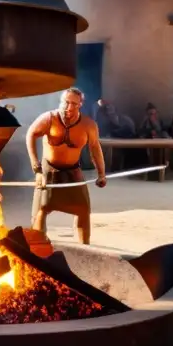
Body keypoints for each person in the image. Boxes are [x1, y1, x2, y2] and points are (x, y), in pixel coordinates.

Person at [26, 88, 107, 244]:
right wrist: (37, 170)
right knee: (41, 209)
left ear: (80, 105)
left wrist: (101, 174)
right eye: (66, 102)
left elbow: (95, 149)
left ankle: (85, 248)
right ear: (61, 102)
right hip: (48, 169)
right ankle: (38, 247)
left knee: (83, 209)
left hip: (72, 170)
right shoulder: (48, 119)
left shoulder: (88, 125)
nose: (69, 107)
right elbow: (31, 134)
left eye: (74, 104)